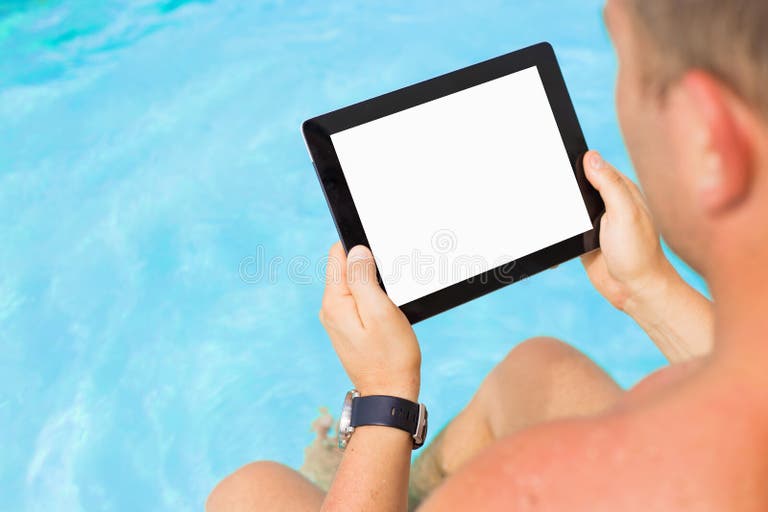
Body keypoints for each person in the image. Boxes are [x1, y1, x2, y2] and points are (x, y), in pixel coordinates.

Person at [207, 0, 768, 509]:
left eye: (626, 61)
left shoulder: (531, 485)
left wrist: (385, 396)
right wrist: (646, 287)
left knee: (250, 491)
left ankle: (369, 468)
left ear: (707, 137)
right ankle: (391, 478)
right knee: (539, 368)